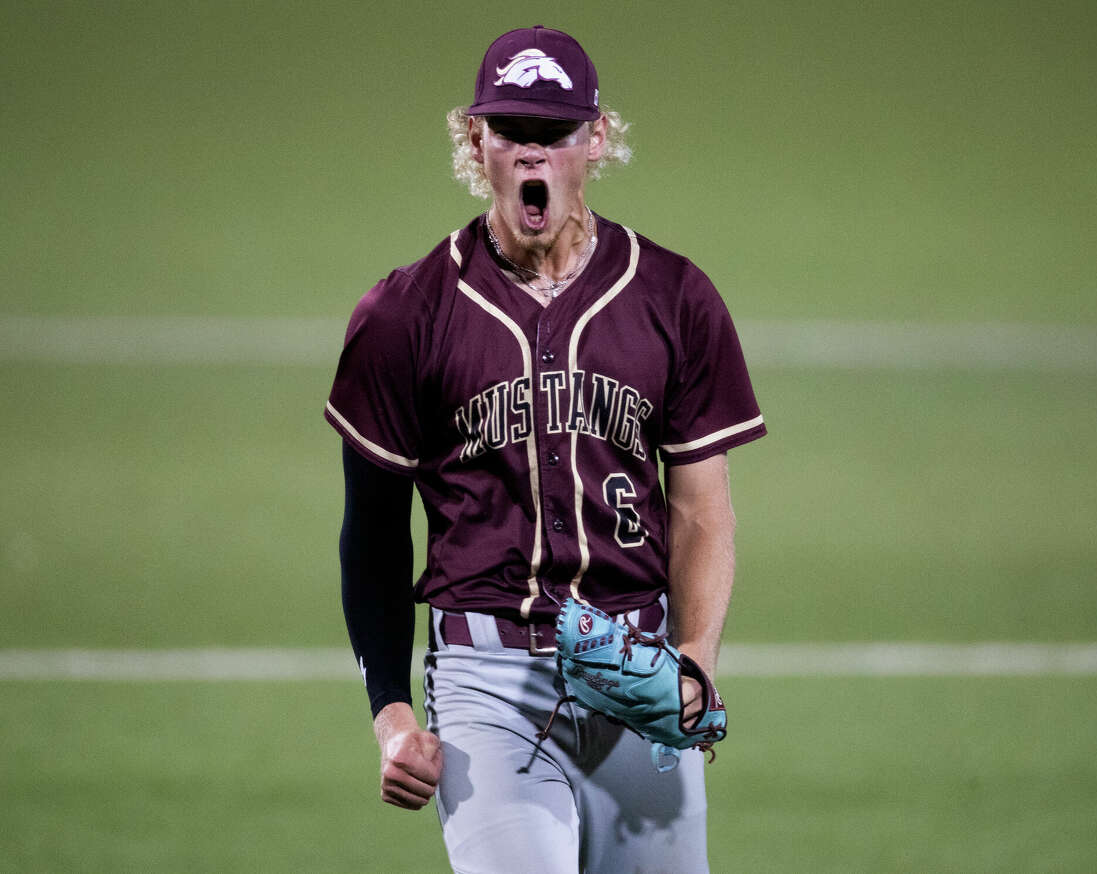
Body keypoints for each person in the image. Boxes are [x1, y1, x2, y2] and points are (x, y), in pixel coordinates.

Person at [324, 25, 766, 874]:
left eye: (555, 133)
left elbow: (702, 509)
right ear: (475, 141)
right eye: (510, 133)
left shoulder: (675, 297)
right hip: (486, 689)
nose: (534, 155)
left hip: (638, 676)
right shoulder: (404, 316)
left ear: (596, 140)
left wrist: (695, 666)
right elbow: (372, 536)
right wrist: (392, 714)